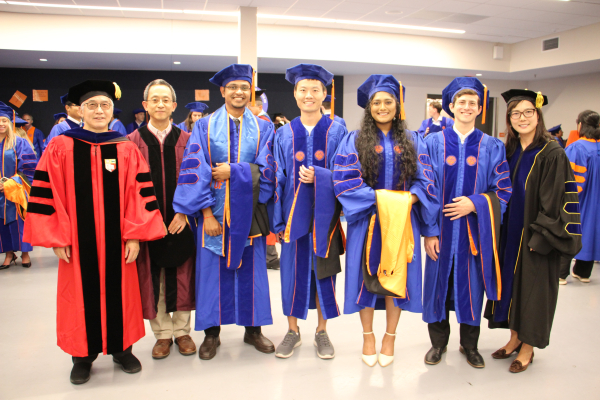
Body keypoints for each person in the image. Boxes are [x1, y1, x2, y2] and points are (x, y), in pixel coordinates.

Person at [23, 80, 166, 385]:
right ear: (79, 110)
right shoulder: (61, 146)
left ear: (112, 110)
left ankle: (122, 349)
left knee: (122, 294)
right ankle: (82, 356)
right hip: (77, 241)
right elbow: (49, 194)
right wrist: (57, 238)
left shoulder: (125, 147)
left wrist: (134, 235)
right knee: (78, 297)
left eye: (105, 105)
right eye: (92, 105)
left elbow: (139, 194)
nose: (99, 111)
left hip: (118, 241)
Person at [172, 64, 276, 360]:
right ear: (223, 91)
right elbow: (195, 171)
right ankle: (211, 334)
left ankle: (253, 330)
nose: (239, 92)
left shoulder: (265, 128)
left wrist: (235, 171)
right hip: (213, 214)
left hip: (250, 213)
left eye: (244, 87)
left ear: (250, 92)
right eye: (233, 87)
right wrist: (205, 215)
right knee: (211, 274)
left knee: (251, 272)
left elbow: (269, 172)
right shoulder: (203, 127)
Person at [333, 75, 438, 367]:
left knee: (397, 279)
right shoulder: (353, 139)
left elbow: (426, 180)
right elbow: (345, 182)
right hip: (365, 222)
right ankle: (368, 336)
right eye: (376, 102)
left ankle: (389, 337)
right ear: (369, 107)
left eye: (388, 102)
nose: (382, 107)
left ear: (397, 105)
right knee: (365, 279)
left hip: (402, 222)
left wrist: (408, 200)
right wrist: (384, 201)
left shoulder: (414, 139)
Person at [484, 89, 582, 373]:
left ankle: (527, 348)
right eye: (516, 113)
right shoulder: (510, 151)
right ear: (509, 119)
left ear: (538, 116)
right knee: (513, 288)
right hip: (510, 237)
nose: (522, 118)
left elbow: (558, 202)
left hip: (537, 238)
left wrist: (540, 237)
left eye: (528, 112)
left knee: (534, 293)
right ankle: (514, 338)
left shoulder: (552, 153)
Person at [422, 77, 511, 369]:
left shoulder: (492, 146)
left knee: (472, 287)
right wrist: (430, 232)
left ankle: (470, 345)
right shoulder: (432, 142)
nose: (467, 107)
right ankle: (438, 344)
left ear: (479, 109)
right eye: (462, 102)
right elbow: (424, 188)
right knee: (438, 287)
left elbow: (503, 190)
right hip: (442, 232)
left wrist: (476, 203)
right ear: (451, 106)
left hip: (474, 234)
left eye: (473, 103)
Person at [271, 64, 347, 360]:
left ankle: (322, 331)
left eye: (315, 90)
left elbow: (347, 172)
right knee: (291, 272)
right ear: (295, 94)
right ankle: (292, 331)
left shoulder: (338, 131)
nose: (309, 95)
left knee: (324, 272)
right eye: (303, 90)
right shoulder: (284, 134)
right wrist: (278, 220)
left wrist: (322, 176)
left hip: (325, 218)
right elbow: (277, 177)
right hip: (292, 217)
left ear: (324, 94)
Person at [128, 79, 197, 359]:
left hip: (181, 220)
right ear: (145, 106)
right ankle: (162, 335)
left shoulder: (188, 141)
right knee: (152, 275)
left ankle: (182, 332)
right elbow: (127, 188)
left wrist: (184, 212)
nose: (160, 104)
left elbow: (198, 181)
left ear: (173, 106)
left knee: (182, 274)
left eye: (165, 100)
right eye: (154, 99)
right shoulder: (130, 143)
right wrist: (145, 220)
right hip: (147, 224)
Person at [559, 110, 600, 284]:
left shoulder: (576, 148)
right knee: (593, 231)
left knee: (571, 229)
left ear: (580, 126)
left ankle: (561, 273)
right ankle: (583, 273)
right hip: (596, 202)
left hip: (579, 202)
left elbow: (569, 182)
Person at [0, 103, 38, 270]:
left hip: (17, 191)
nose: (1, 124)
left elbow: (29, 168)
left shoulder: (20, 142)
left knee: (20, 223)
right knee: (2, 224)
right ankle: (9, 254)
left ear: (10, 123)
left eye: (4, 121)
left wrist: (10, 183)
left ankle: (25, 253)